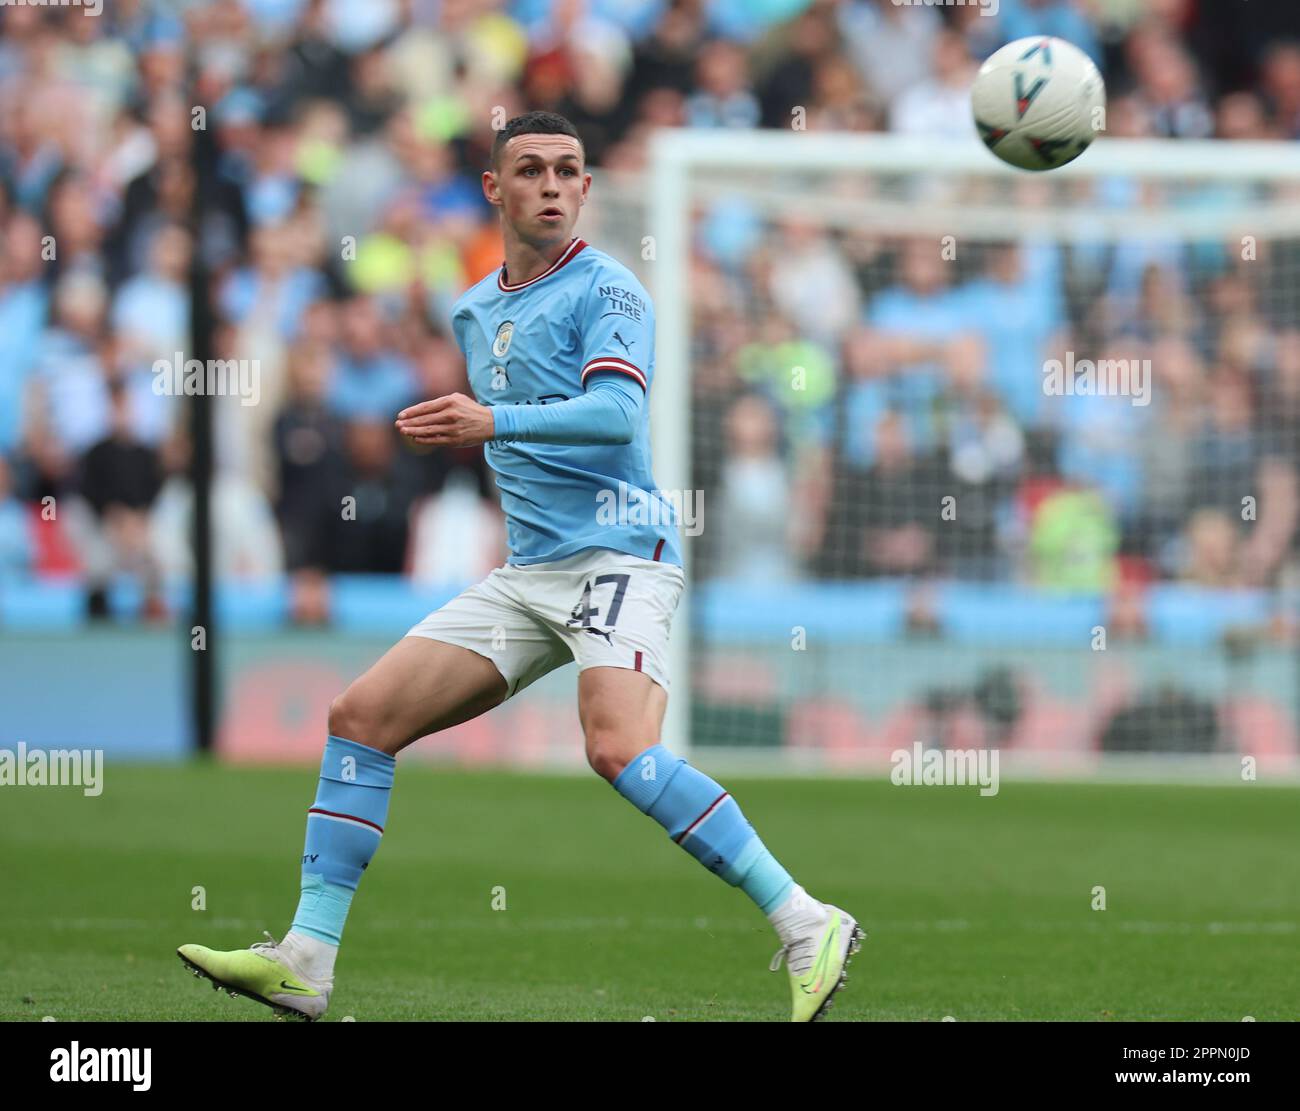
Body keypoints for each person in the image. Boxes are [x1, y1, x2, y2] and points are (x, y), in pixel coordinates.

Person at [177, 112, 861, 1023]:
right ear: (494, 190)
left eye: (568, 170)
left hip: (620, 552)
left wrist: (490, 422)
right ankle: (306, 956)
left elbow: (617, 416)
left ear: (585, 190)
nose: (551, 183)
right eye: (530, 168)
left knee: (617, 746)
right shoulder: (473, 309)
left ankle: (806, 919)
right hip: (529, 572)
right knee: (360, 717)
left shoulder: (610, 290)